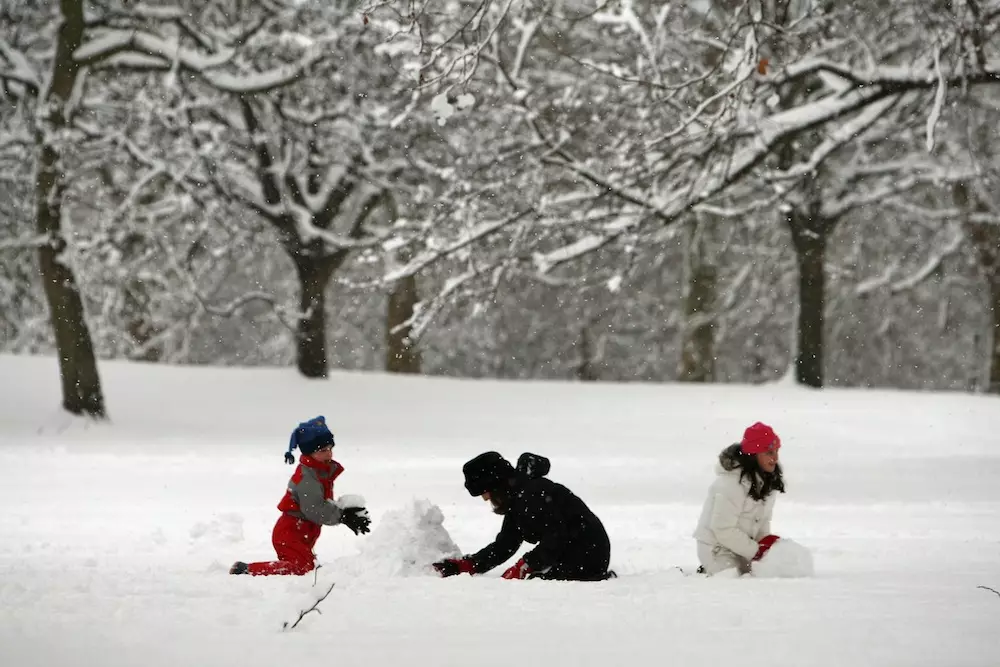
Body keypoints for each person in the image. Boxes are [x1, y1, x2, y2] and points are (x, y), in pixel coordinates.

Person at [432, 451, 614, 581]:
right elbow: (505, 544)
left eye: (485, 491)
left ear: (496, 484)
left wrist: (526, 565)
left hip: (587, 554)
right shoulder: (518, 499)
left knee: (539, 585)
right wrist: (469, 565)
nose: (485, 498)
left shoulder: (531, 494)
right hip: (574, 555)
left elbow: (556, 535)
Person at [230, 416, 371, 576]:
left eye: (330, 449)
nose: (329, 454)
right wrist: (342, 516)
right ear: (309, 452)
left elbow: (321, 503)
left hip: (302, 530)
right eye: (322, 450)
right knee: (302, 569)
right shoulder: (307, 478)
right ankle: (246, 570)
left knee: (307, 567)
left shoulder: (319, 472)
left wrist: (344, 510)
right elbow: (314, 508)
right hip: (290, 531)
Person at [692, 421, 786, 575]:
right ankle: (707, 571)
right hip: (717, 548)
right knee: (734, 581)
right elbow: (722, 529)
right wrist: (756, 551)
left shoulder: (767, 482)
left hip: (743, 548)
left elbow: (762, 522)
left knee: (767, 575)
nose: (775, 458)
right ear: (754, 455)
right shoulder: (731, 483)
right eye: (769, 452)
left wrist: (766, 547)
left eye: (776, 451)